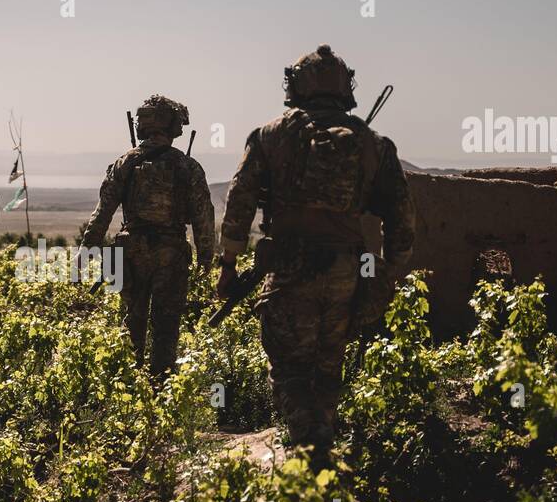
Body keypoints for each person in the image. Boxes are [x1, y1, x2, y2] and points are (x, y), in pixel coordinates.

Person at [218, 44, 415, 461]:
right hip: (347, 270)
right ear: (345, 87)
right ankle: (321, 447)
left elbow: (239, 204)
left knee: (289, 368)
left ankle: (310, 447)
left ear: (296, 86)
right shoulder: (373, 143)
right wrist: (390, 274)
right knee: (329, 365)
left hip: (290, 266)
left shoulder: (269, 136)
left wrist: (228, 265)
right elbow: (402, 217)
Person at [82, 95, 215, 378]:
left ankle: (129, 384)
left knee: (132, 322)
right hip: (171, 254)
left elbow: (103, 212)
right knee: (166, 327)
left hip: (130, 253)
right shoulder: (187, 166)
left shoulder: (125, 163)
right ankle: (160, 386)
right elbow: (204, 217)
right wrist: (206, 260)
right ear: (174, 126)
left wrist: (87, 250)